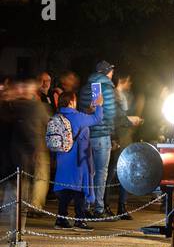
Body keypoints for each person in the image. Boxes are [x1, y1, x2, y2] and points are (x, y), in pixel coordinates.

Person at [0, 78, 49, 235]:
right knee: (15, 203)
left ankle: (16, 236)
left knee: (16, 203)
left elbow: (34, 133)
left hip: (19, 163)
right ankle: (16, 237)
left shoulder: (21, 107)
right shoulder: (14, 108)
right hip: (14, 163)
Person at [52, 90, 102, 230]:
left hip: (62, 158)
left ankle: (61, 219)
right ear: (71, 102)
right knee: (80, 188)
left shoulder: (58, 116)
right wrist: (99, 105)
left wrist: (88, 111)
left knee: (65, 189)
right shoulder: (78, 117)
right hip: (78, 159)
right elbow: (97, 119)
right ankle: (79, 221)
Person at [78, 60, 121, 217]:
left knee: (88, 172)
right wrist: (113, 132)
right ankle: (98, 208)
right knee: (100, 173)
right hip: (101, 135)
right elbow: (107, 113)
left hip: (86, 135)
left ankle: (85, 205)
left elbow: (83, 110)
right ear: (107, 72)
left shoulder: (84, 88)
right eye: (111, 71)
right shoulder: (102, 88)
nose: (112, 74)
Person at [110, 72, 143, 218]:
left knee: (125, 174)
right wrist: (130, 120)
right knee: (111, 174)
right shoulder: (113, 97)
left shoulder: (125, 97)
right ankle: (104, 206)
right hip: (117, 139)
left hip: (125, 139)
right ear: (122, 81)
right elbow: (115, 119)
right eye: (128, 82)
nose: (130, 85)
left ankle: (122, 207)